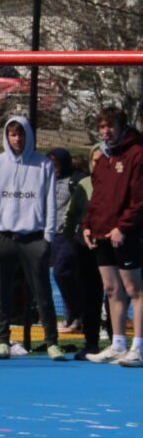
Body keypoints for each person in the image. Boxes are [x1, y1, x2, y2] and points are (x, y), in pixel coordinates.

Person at [0, 116, 62, 360]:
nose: (17, 139)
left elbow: (50, 202)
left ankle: (52, 343)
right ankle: (3, 341)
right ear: (6, 137)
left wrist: (48, 236)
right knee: (2, 292)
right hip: (2, 237)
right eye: (12, 135)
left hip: (34, 238)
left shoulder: (43, 165)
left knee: (42, 292)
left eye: (21, 134)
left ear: (28, 135)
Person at [82, 107, 143, 365]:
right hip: (102, 233)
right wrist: (88, 225)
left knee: (135, 289)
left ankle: (138, 348)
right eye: (102, 127)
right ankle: (117, 344)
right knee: (111, 289)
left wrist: (123, 227)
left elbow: (139, 199)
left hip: (126, 234)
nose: (106, 132)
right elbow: (97, 196)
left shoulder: (137, 154)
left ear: (121, 127)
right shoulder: (102, 157)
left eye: (110, 126)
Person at [47, 147, 99, 356]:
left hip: (70, 235)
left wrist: (75, 230)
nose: (53, 168)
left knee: (62, 270)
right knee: (66, 274)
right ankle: (74, 315)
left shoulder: (77, 180)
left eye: (57, 164)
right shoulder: (45, 181)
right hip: (51, 234)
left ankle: (78, 314)